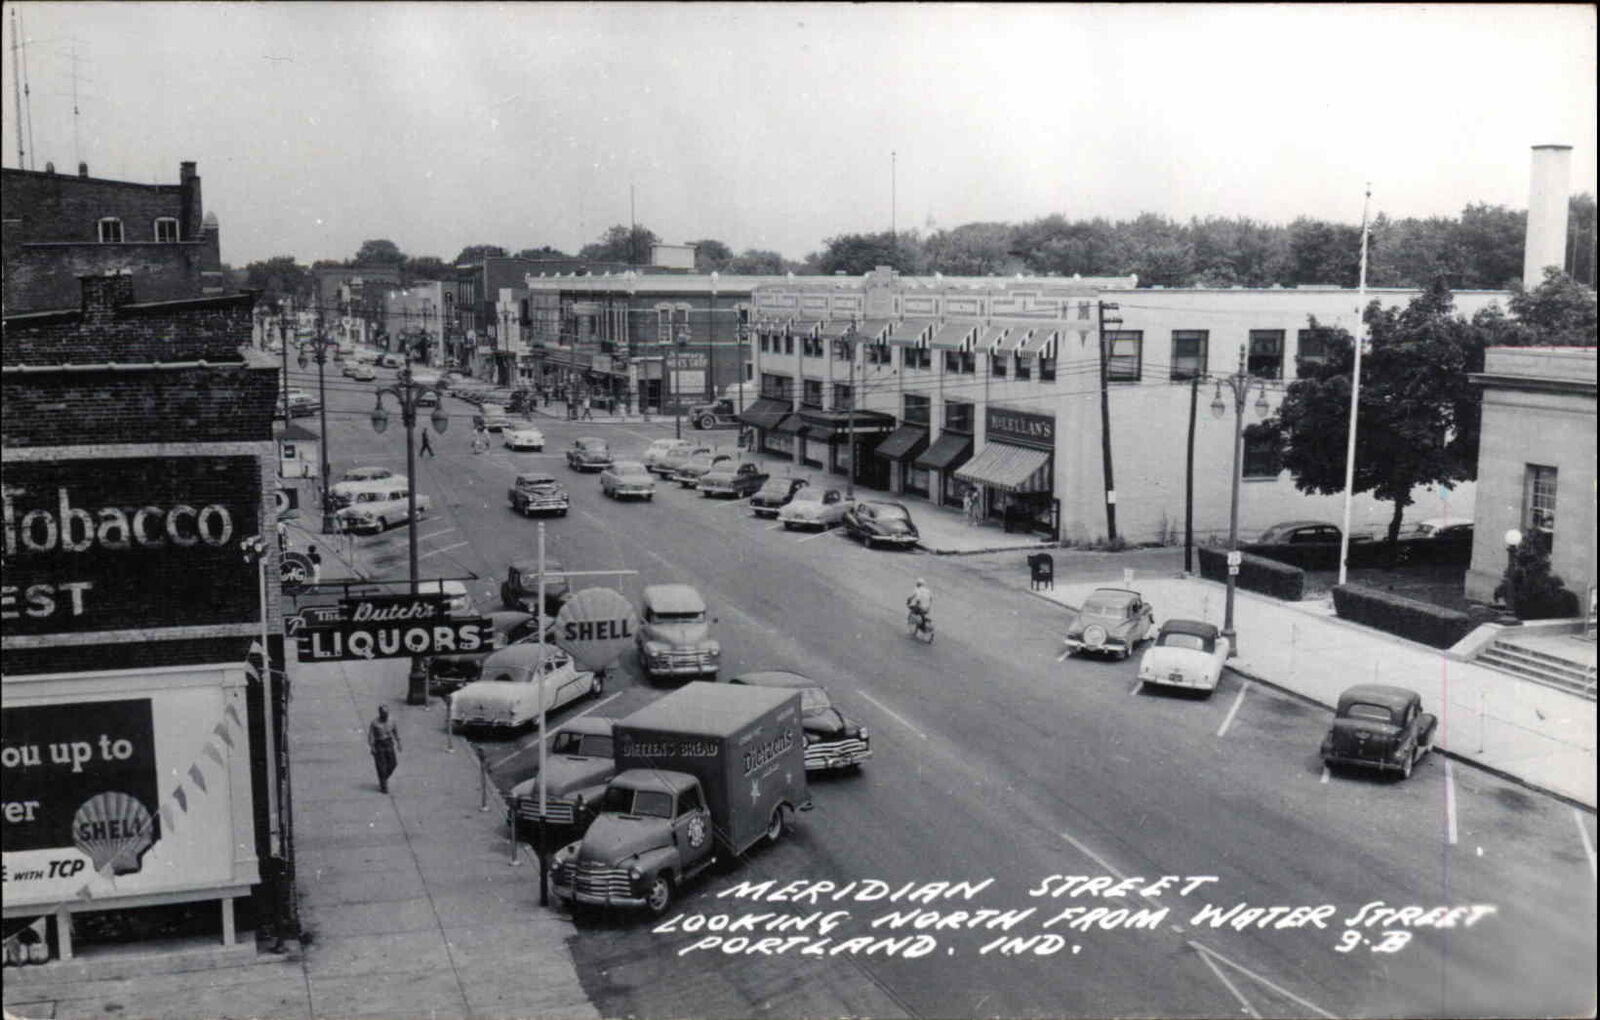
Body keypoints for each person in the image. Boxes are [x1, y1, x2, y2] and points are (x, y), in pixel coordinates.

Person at [367, 706, 401, 794]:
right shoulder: (374, 723)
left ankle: (383, 778)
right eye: (384, 714)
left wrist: (398, 742)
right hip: (379, 745)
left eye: (387, 714)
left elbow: (395, 731)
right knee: (381, 766)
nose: (386, 716)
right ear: (380, 714)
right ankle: (383, 785)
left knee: (393, 763)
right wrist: (372, 747)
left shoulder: (392, 721)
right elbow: (371, 736)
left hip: (389, 744)